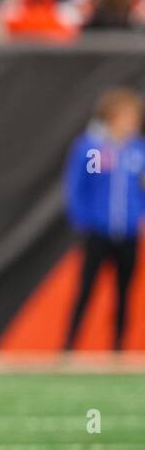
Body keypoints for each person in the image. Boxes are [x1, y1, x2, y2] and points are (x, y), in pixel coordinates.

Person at [63, 88, 145, 351]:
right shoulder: (93, 149)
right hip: (98, 233)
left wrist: (139, 217)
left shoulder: (138, 151)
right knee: (86, 290)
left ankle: (118, 348)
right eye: (127, 117)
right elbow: (78, 187)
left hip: (129, 234)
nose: (132, 123)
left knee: (124, 294)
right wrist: (85, 221)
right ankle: (69, 347)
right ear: (112, 117)